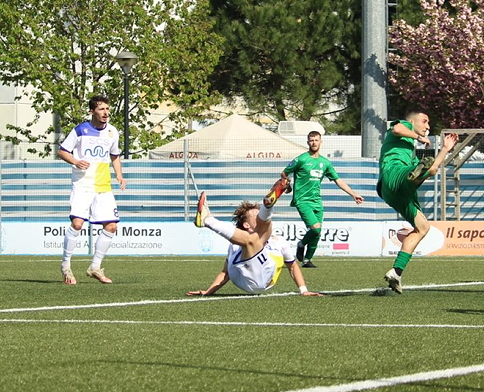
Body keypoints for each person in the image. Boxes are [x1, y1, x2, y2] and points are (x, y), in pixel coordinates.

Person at [187, 181, 322, 297]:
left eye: (259, 215)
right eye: (255, 217)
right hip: (239, 274)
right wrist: (209, 291)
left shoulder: (279, 241)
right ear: (246, 224)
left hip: (261, 279)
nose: (258, 218)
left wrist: (303, 290)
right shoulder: (235, 245)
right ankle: (267, 206)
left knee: (258, 237)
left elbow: (292, 266)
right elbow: (225, 272)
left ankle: (267, 205)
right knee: (254, 239)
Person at [377, 109, 458, 294]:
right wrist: (418, 136)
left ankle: (396, 272)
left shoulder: (410, 152)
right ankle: (419, 169)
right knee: (423, 166)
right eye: (425, 121)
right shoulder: (404, 126)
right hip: (393, 174)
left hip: (394, 192)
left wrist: (445, 148)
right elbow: (397, 128)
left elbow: (433, 171)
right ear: (412, 121)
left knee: (423, 227)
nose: (427, 126)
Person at [56, 94, 125, 285]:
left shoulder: (112, 132)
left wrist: (119, 174)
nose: (106, 113)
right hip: (83, 184)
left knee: (111, 226)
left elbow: (115, 155)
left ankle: (95, 267)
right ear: (92, 111)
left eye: (107, 109)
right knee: (77, 224)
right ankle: (66, 266)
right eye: (102, 109)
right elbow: (62, 151)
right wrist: (76, 161)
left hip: (103, 185)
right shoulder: (80, 130)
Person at [280, 131, 364, 268]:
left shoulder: (325, 162)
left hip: (317, 201)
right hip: (302, 200)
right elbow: (284, 173)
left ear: (321, 142)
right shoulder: (301, 159)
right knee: (315, 228)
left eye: (316, 140)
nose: (314, 143)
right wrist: (287, 185)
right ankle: (301, 244)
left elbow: (338, 180)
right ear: (308, 142)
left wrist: (353, 194)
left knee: (317, 234)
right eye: (311, 140)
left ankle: (307, 260)